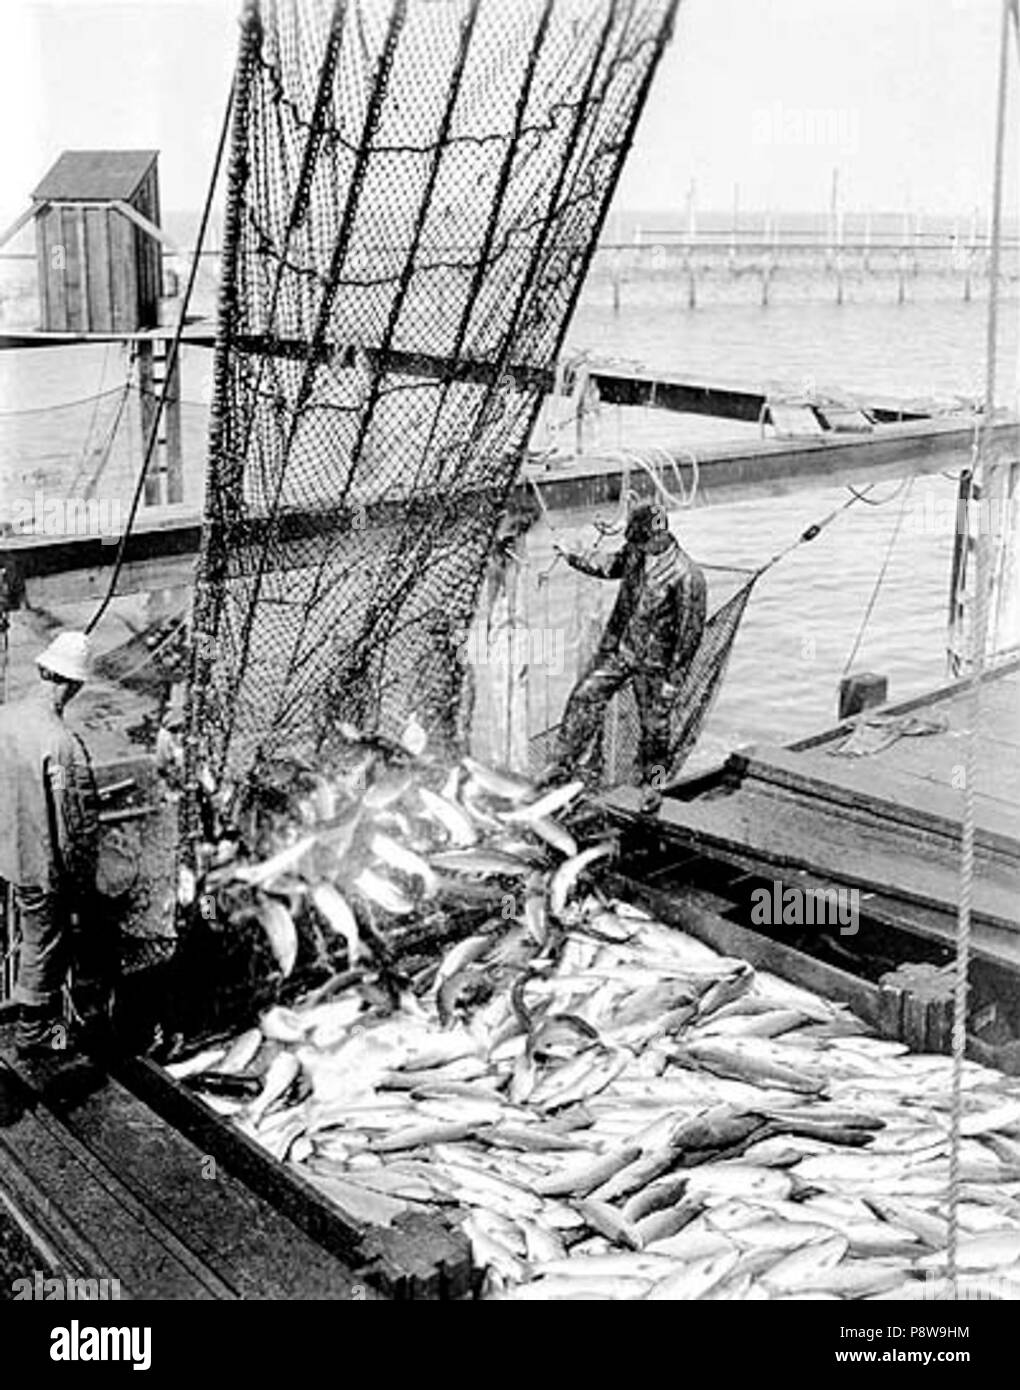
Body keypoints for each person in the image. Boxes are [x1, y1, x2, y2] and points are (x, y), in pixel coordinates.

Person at [544, 501, 706, 792]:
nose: (637, 547)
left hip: (656, 666)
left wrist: (673, 683)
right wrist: (572, 554)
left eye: (641, 541)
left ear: (659, 536)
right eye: (633, 541)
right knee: (584, 696)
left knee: (655, 730)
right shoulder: (634, 552)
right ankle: (560, 767)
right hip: (622, 651)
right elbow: (609, 566)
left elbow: (689, 637)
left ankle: (655, 786)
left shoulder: (687, 575)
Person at [0, 631, 99, 1059]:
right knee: (44, 939)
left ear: (42, 669)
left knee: (21, 931)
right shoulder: (63, 744)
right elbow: (76, 825)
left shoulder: (4, 718)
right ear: (75, 685)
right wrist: (81, 881)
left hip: (4, 848)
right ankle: (34, 1031)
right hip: (37, 864)